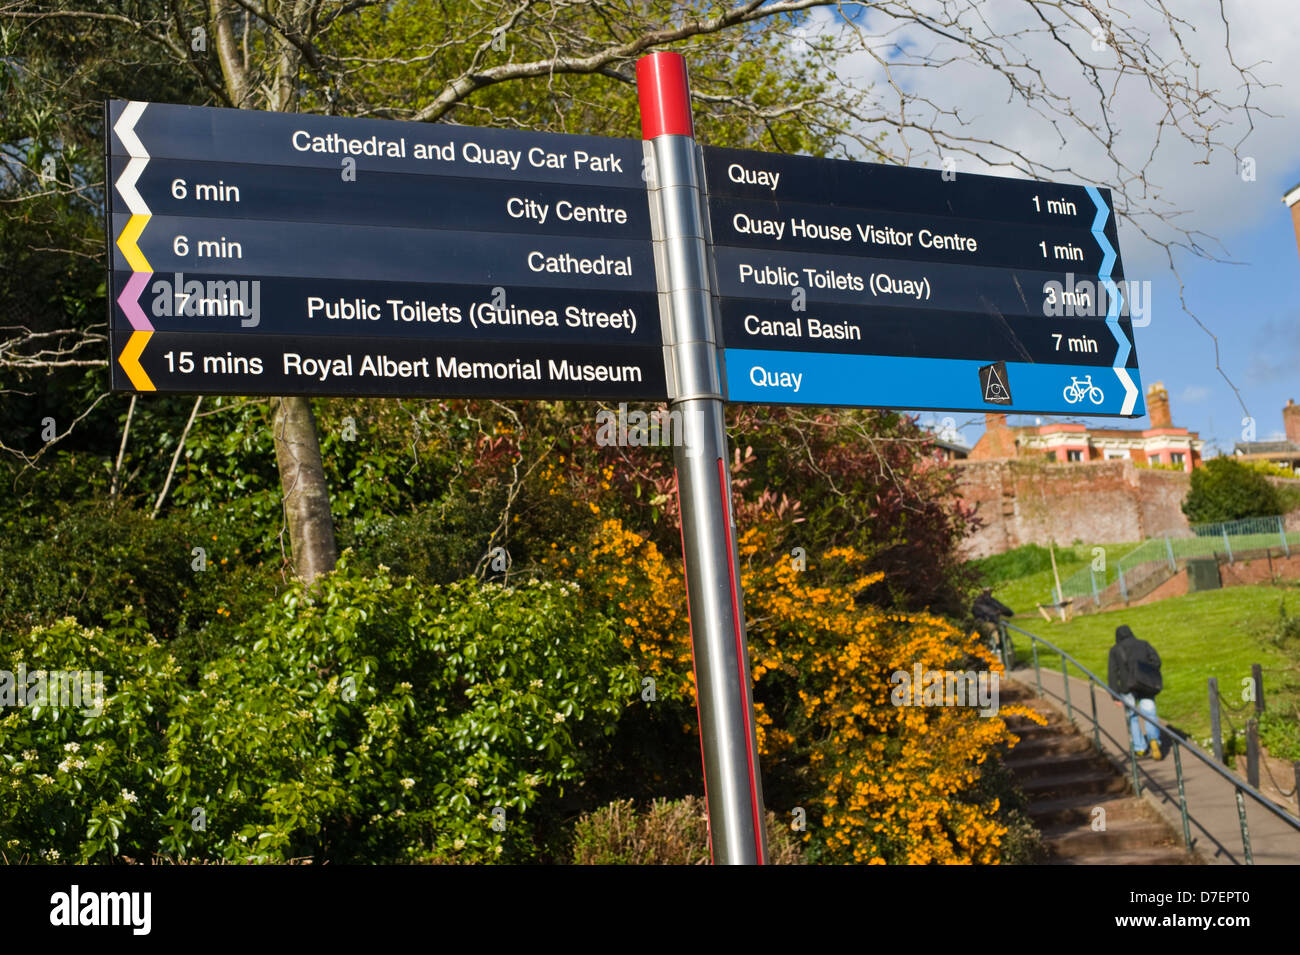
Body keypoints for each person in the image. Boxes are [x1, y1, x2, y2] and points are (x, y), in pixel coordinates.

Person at [1108, 624, 1164, 759]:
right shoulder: (1143, 644)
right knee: (1150, 714)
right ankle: (1154, 740)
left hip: (1127, 687)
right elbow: (1157, 661)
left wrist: (1114, 695)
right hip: (1145, 684)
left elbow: (1112, 673)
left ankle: (1140, 747)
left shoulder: (1115, 650)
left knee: (1132, 717)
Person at [972, 588, 1014, 658]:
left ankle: (1000, 650)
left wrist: (1001, 611)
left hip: (992, 623)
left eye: (989, 591)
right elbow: (989, 612)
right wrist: (998, 612)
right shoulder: (979, 603)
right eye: (986, 592)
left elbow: (1008, 612)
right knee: (993, 629)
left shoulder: (991, 601)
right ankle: (996, 649)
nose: (988, 593)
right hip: (984, 624)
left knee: (1000, 627)